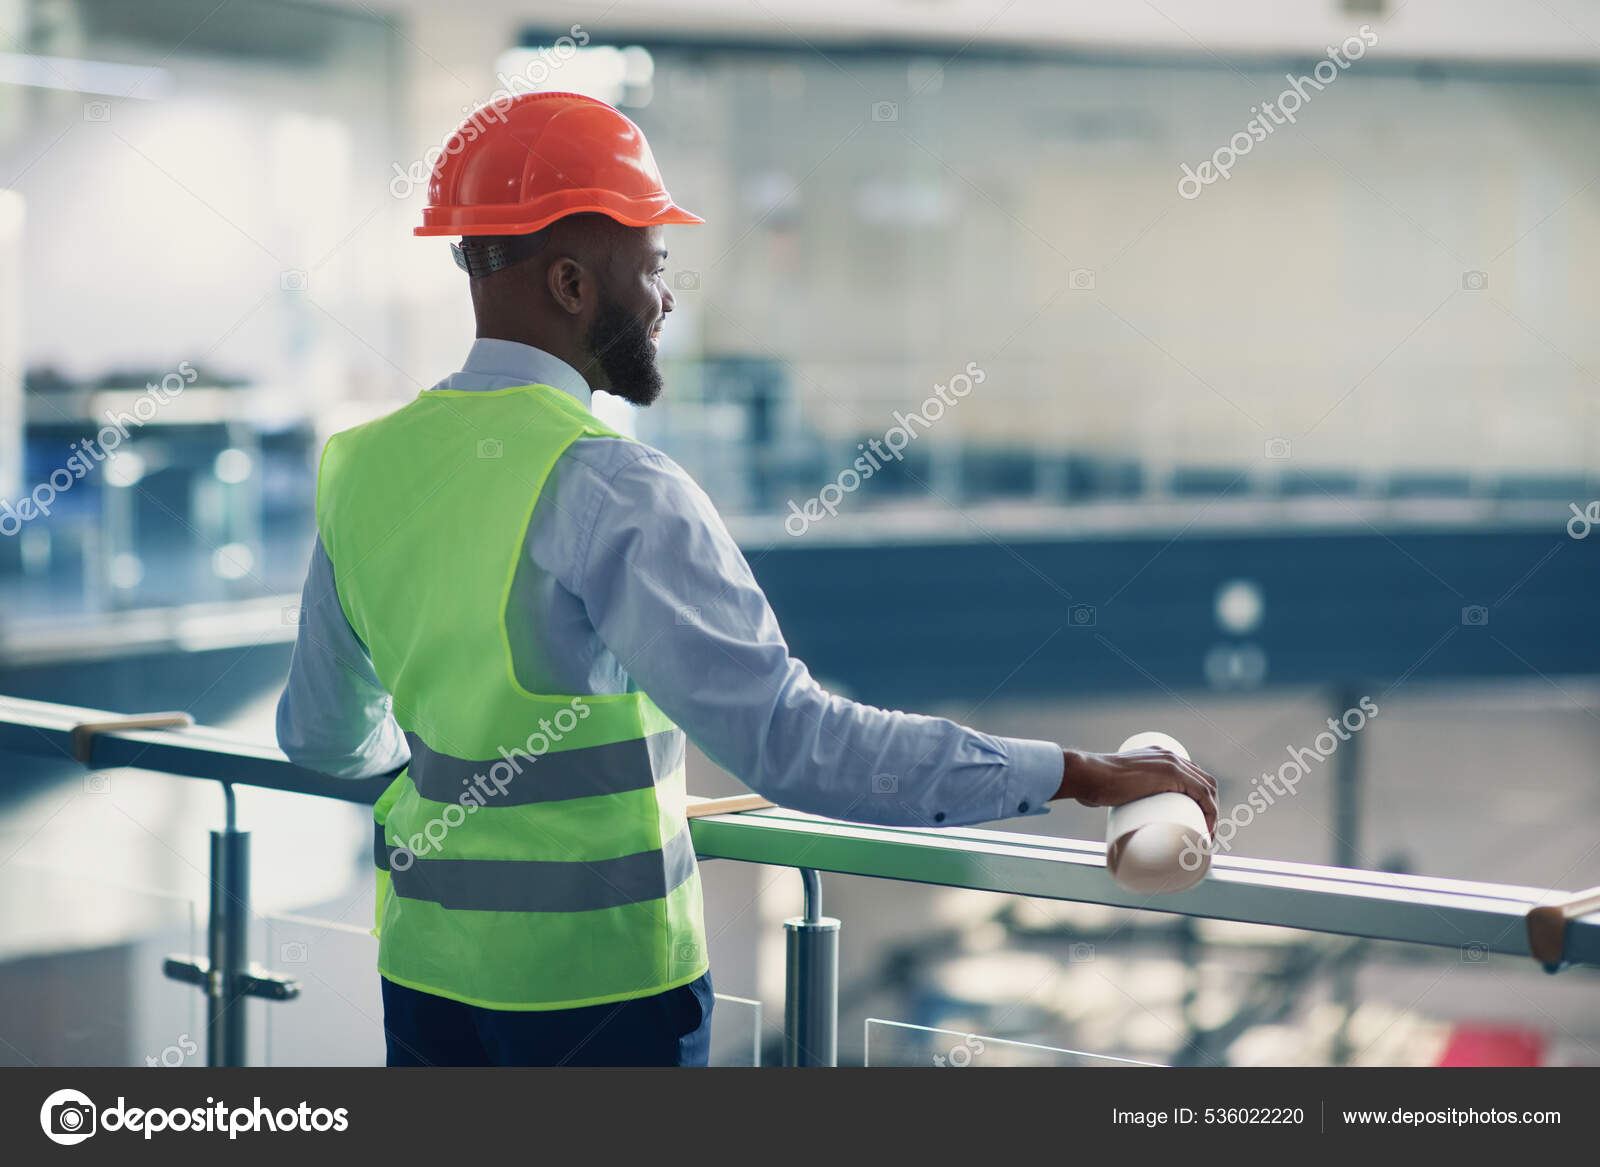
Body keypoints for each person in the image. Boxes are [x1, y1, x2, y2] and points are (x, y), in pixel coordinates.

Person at [276, 91, 1218, 1068]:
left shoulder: (361, 463)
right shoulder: (615, 487)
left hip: (425, 976)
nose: (665, 300)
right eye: (652, 268)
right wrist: (1076, 773)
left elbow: (321, 737)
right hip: (597, 997)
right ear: (567, 282)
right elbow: (792, 743)